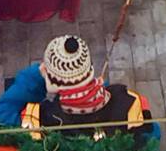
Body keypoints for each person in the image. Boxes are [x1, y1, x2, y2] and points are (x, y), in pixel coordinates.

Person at [20, 35, 155, 142]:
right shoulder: (129, 101)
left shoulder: (40, 117)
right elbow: (151, 137)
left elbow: (4, 114)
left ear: (51, 80)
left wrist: (33, 77)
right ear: (90, 70)